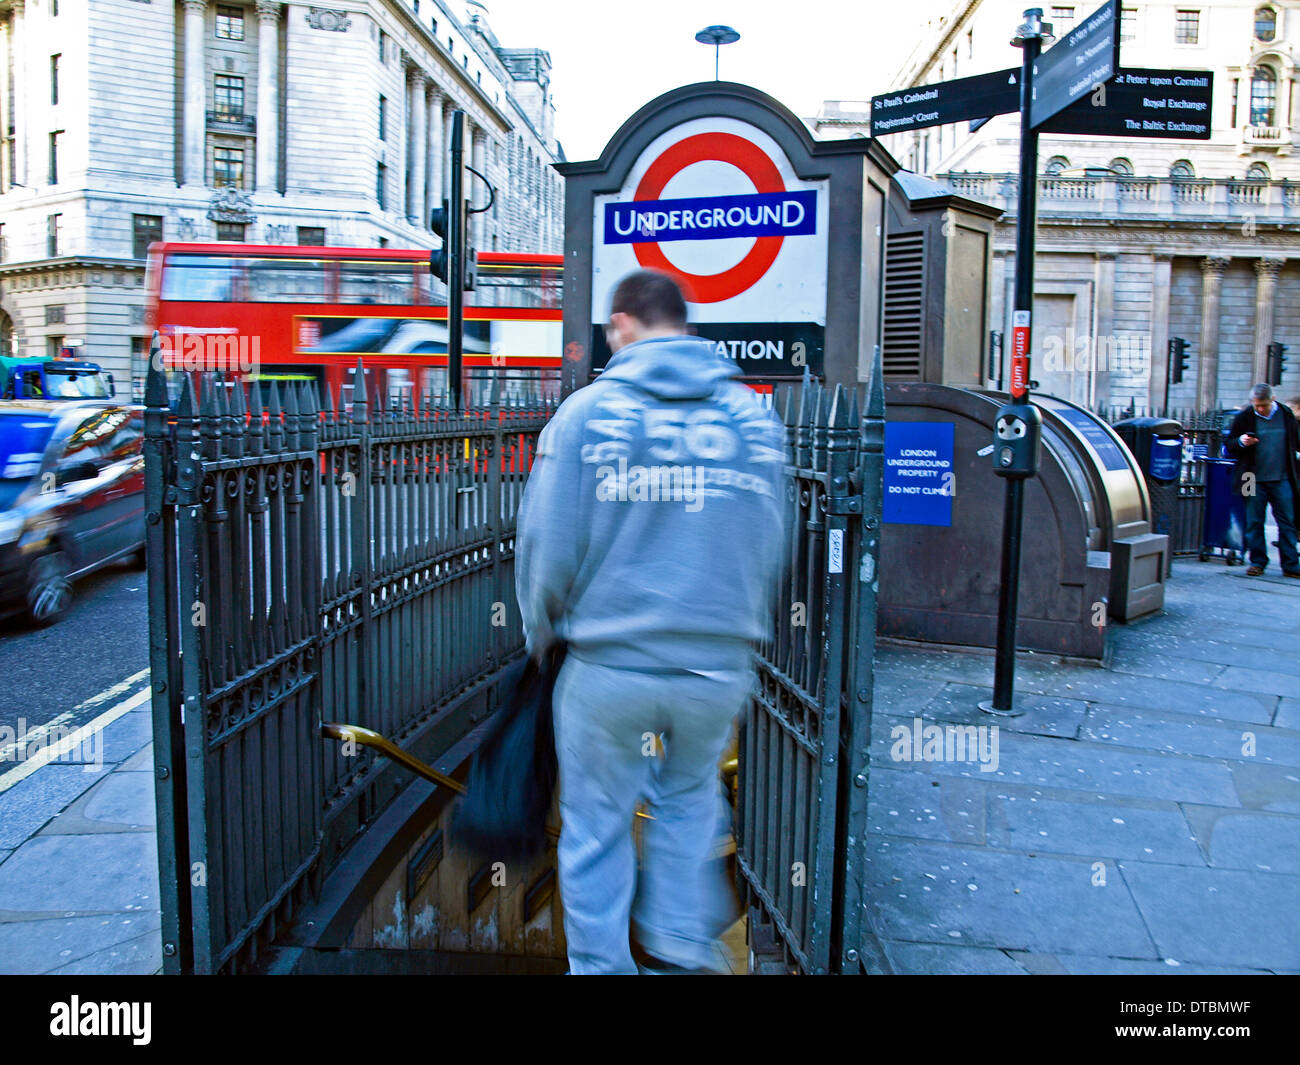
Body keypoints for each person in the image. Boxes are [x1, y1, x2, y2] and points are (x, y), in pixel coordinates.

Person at [515, 268, 787, 974]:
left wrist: (542, 636)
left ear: (624, 325)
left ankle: (604, 970)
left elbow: (547, 549)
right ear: (684, 323)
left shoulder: (584, 415)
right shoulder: (751, 418)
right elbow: (769, 539)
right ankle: (679, 946)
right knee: (690, 802)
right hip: (713, 668)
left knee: (597, 829)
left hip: (609, 667)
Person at [1224, 382, 1300, 578]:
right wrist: (1241, 441)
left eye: (1263, 405)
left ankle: (1291, 565)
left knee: (1287, 522)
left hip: (1282, 477)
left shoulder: (1285, 414)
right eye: (1256, 405)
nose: (1260, 409)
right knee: (1253, 521)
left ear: (1272, 400)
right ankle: (1257, 562)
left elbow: (1294, 442)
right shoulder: (1245, 417)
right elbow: (1229, 445)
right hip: (1251, 477)